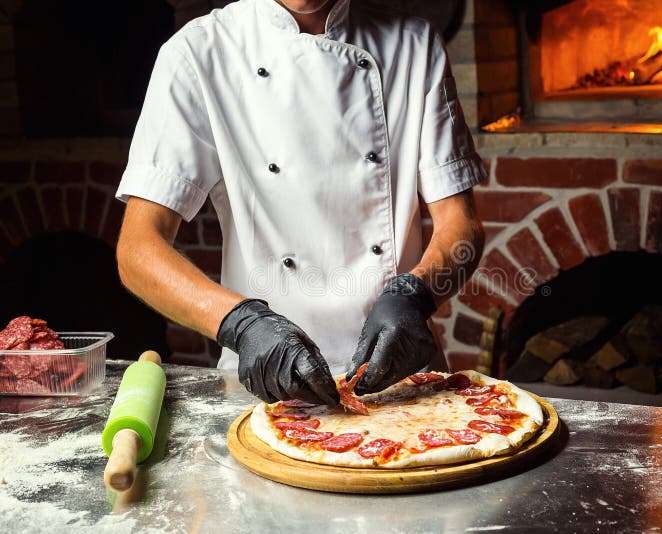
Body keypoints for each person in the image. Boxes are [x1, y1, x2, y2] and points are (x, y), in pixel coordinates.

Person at [115, 0, 486, 406]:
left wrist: (415, 295)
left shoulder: (414, 45)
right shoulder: (198, 52)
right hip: (266, 386)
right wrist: (241, 323)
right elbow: (138, 251)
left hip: (404, 382)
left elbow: (461, 224)